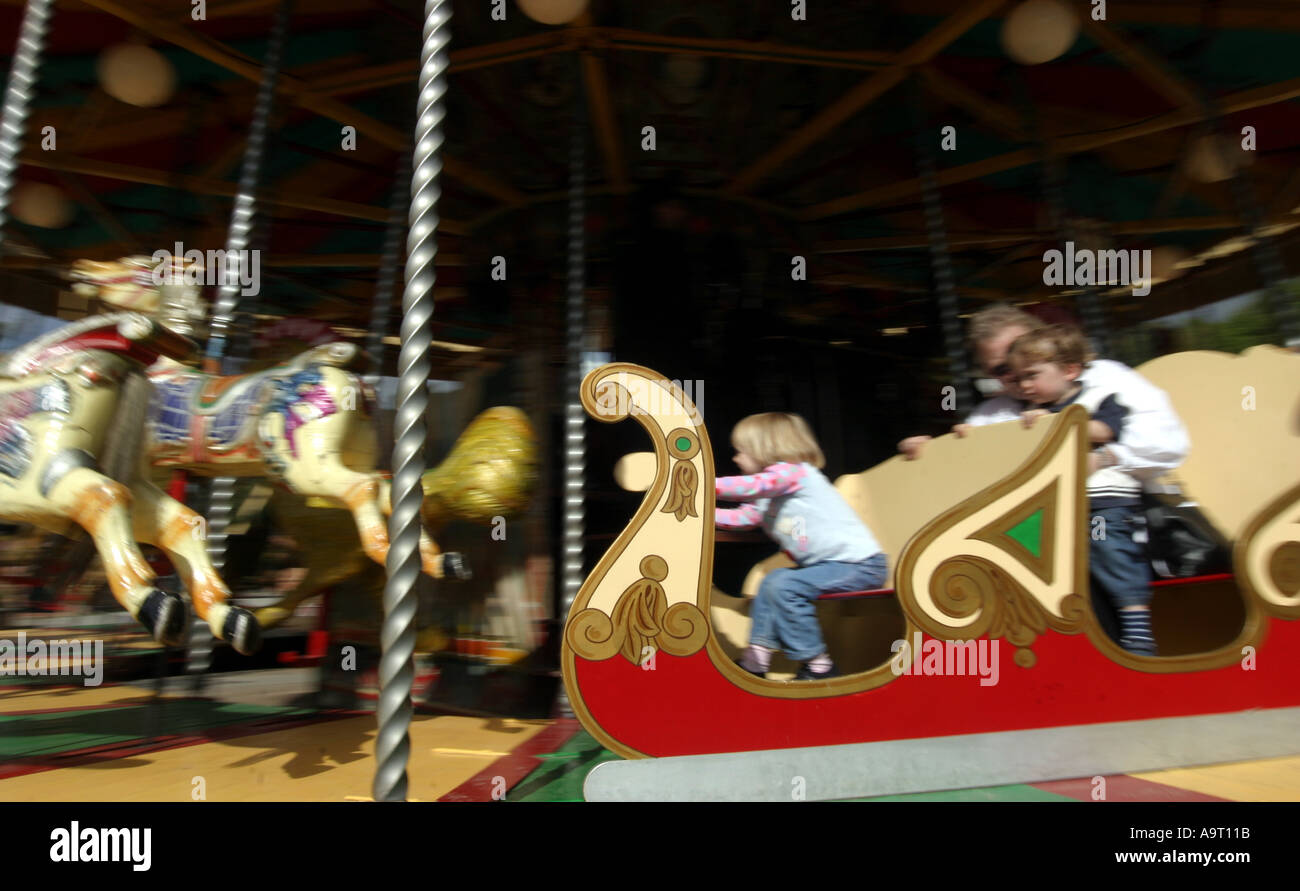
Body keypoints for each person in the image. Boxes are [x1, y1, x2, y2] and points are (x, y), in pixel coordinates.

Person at [896, 303, 1188, 647]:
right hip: (1034, 535)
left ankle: (1130, 648)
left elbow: (1168, 443)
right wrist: (928, 454)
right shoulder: (997, 411)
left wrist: (1106, 457)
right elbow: (967, 470)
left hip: (1109, 514)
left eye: (1026, 353)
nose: (1020, 372)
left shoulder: (1105, 380)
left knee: (1094, 552)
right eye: (1004, 370)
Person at [1007, 325, 1156, 656]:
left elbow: (1106, 429)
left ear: (1070, 370)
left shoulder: (1098, 398)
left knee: (1111, 552)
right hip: (1060, 504)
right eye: (1018, 379)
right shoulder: (1031, 413)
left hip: (1104, 501)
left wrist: (1052, 424)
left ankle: (1137, 627)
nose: (1024, 385)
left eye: (1032, 375)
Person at [716, 412, 888, 680]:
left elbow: (752, 486)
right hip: (828, 567)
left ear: (764, 450)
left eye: (740, 451)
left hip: (860, 565)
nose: (735, 459)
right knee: (775, 580)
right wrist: (700, 511)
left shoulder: (793, 474)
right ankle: (756, 659)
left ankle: (819, 665)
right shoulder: (768, 495)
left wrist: (701, 485)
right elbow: (742, 517)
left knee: (786, 586)